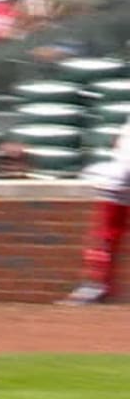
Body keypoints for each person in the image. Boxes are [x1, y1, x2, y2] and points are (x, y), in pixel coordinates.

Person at [63, 115, 130, 305]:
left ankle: (97, 285)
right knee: (106, 235)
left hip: (122, 177)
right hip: (121, 178)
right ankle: (97, 285)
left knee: (107, 234)